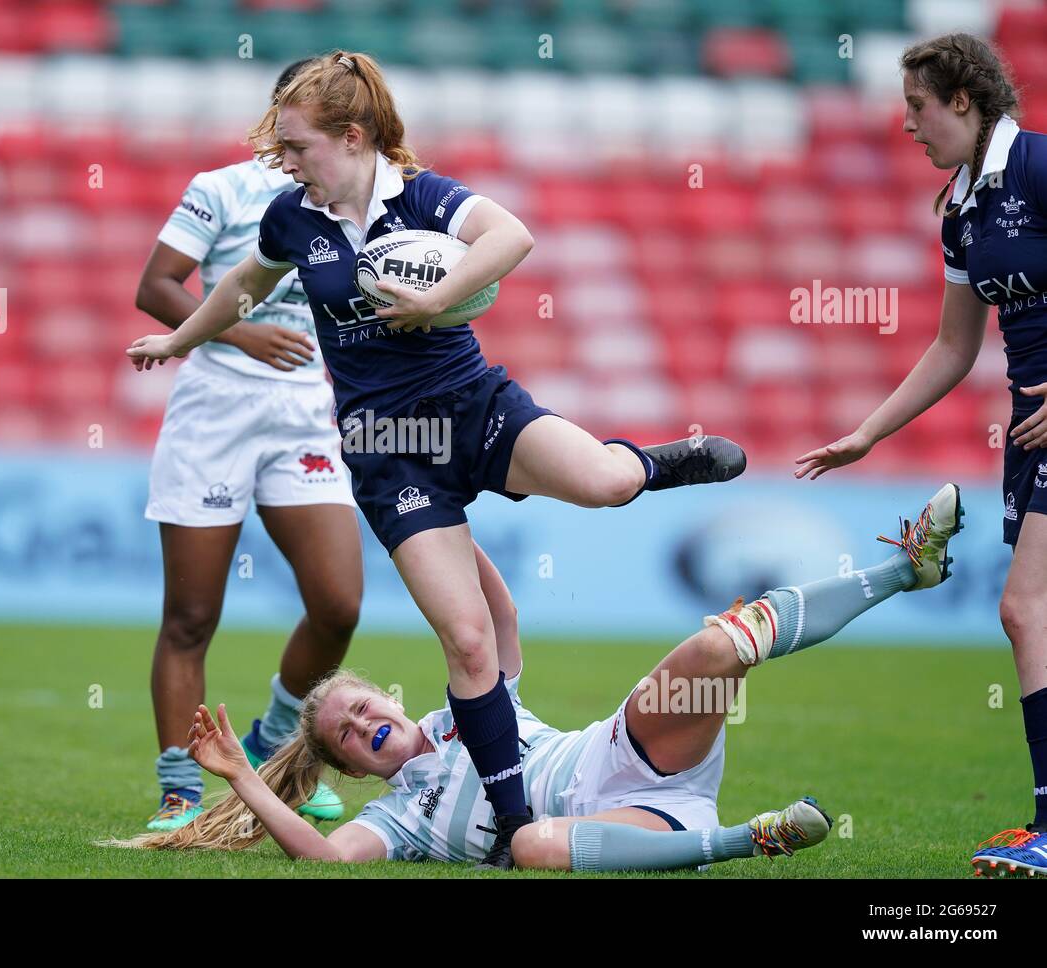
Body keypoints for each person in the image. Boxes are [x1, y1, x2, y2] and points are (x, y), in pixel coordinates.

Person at [127, 51, 746, 868]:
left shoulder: (420, 197)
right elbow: (243, 283)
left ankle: (664, 461)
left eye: (298, 145)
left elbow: (511, 235)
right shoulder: (292, 216)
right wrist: (179, 338)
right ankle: (512, 814)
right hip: (389, 452)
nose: (285, 161)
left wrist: (436, 298)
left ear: (352, 138)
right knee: (467, 640)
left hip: (471, 404)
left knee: (607, 480)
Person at [106, 484, 962, 870]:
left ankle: (902, 571)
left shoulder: (466, 708)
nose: (361, 725)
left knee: (713, 651)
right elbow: (327, 853)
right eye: (346, 738)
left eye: (361, 706)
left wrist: (439, 530)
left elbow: (500, 621)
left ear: (393, 702)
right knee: (531, 846)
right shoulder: (400, 821)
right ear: (355, 772)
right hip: (637, 825)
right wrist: (243, 777)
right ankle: (748, 840)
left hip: (633, 752)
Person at [795, 33, 1047, 878]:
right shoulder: (964, 206)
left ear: (966, 102)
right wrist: (870, 431)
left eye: (918, 107)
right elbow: (952, 346)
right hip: (1028, 426)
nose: (907, 125)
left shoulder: (1039, 168)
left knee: (1026, 609)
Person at [133, 58, 361, 832]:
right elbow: (156, 285)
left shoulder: (354, 197)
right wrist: (240, 331)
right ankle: (179, 789)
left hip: (304, 414)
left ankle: (272, 748)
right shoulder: (221, 188)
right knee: (192, 616)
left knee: (338, 605)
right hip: (216, 410)